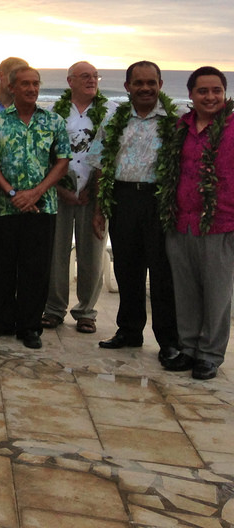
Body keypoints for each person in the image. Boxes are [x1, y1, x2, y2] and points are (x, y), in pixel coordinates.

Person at [89, 61, 180, 362]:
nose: (145, 88)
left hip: (159, 201)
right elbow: (102, 164)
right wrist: (100, 208)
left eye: (150, 82)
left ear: (160, 85)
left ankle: (169, 340)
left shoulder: (174, 120)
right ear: (127, 87)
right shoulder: (115, 120)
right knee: (127, 268)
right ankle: (129, 331)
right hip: (123, 198)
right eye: (138, 83)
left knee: (162, 272)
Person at [0, 65, 70, 349]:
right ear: (12, 87)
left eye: (35, 83)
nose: (31, 89)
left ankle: (30, 326)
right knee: (4, 265)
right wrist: (12, 192)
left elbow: (62, 161)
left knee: (36, 268)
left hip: (42, 207)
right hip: (6, 207)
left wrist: (35, 193)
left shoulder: (54, 121)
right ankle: (1, 322)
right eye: (25, 84)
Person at [156, 66, 234, 380]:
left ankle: (211, 355)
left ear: (225, 93)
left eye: (216, 90)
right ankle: (188, 349)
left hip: (220, 222)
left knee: (217, 294)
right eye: (203, 91)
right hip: (180, 221)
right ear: (191, 95)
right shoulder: (180, 127)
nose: (210, 96)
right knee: (185, 290)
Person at [42, 62, 116, 334]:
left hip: (93, 194)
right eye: (85, 76)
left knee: (92, 255)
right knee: (56, 254)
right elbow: (46, 156)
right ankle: (54, 309)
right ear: (70, 81)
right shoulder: (55, 114)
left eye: (95, 76)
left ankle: (86, 311)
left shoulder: (109, 113)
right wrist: (60, 189)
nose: (92, 80)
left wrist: (94, 192)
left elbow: (110, 156)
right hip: (59, 194)